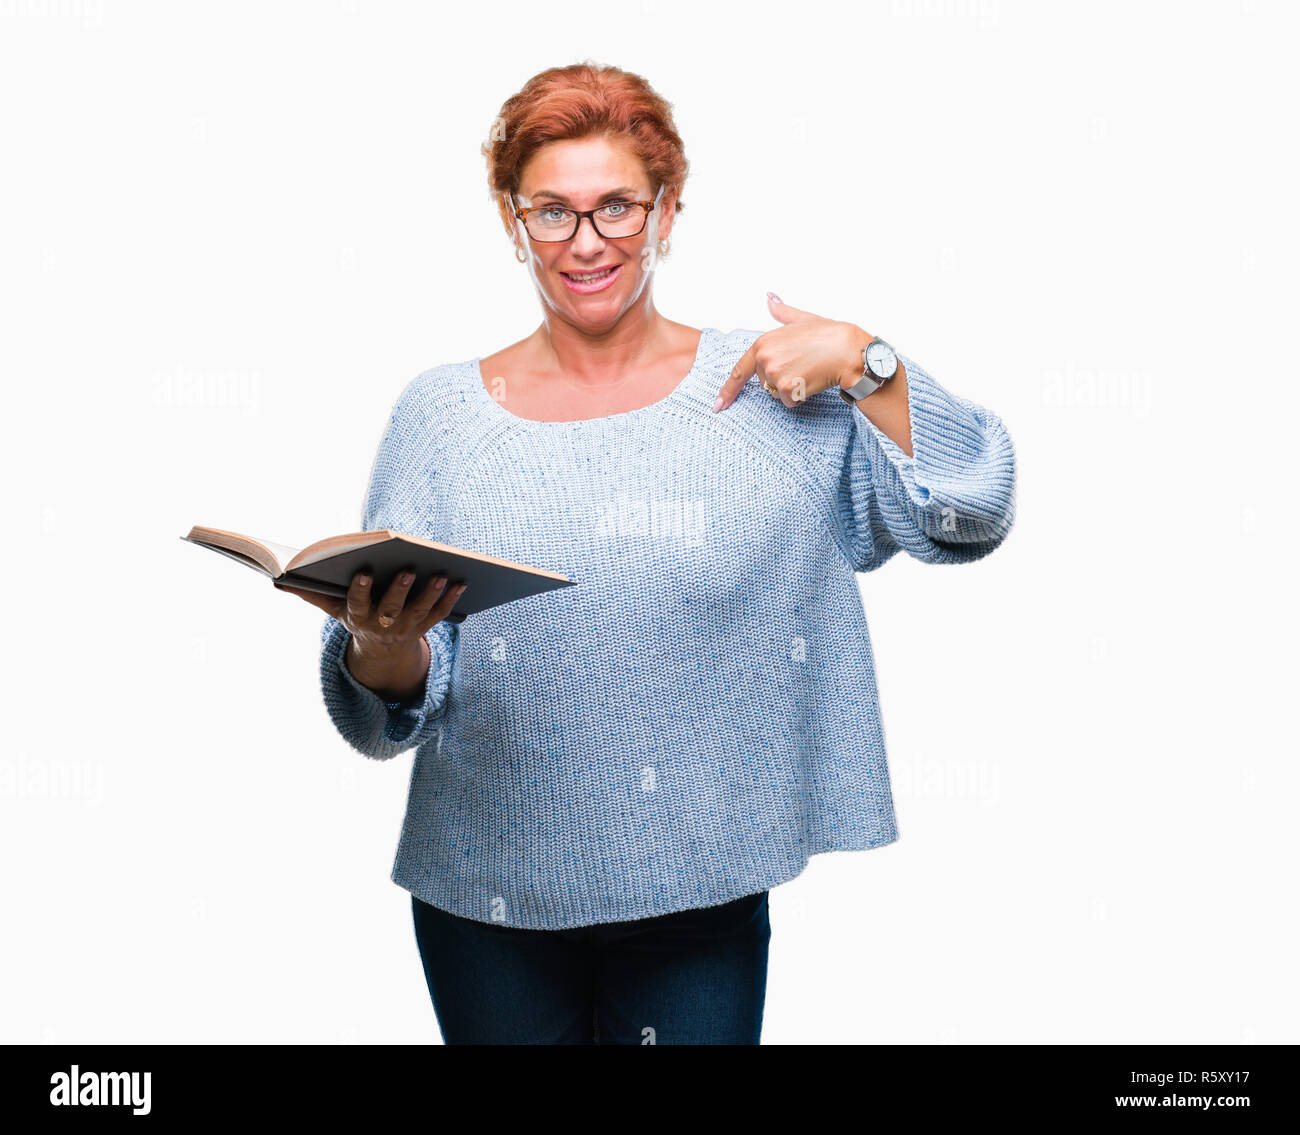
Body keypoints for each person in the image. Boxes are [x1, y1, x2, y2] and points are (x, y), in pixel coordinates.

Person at [275, 61, 1017, 1044]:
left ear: (667, 213)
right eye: (553, 212)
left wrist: (870, 364)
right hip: (482, 901)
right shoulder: (440, 417)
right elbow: (390, 716)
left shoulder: (771, 392)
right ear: (512, 222)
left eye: (616, 206)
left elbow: (967, 517)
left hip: (695, 900)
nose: (587, 243)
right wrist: (381, 650)